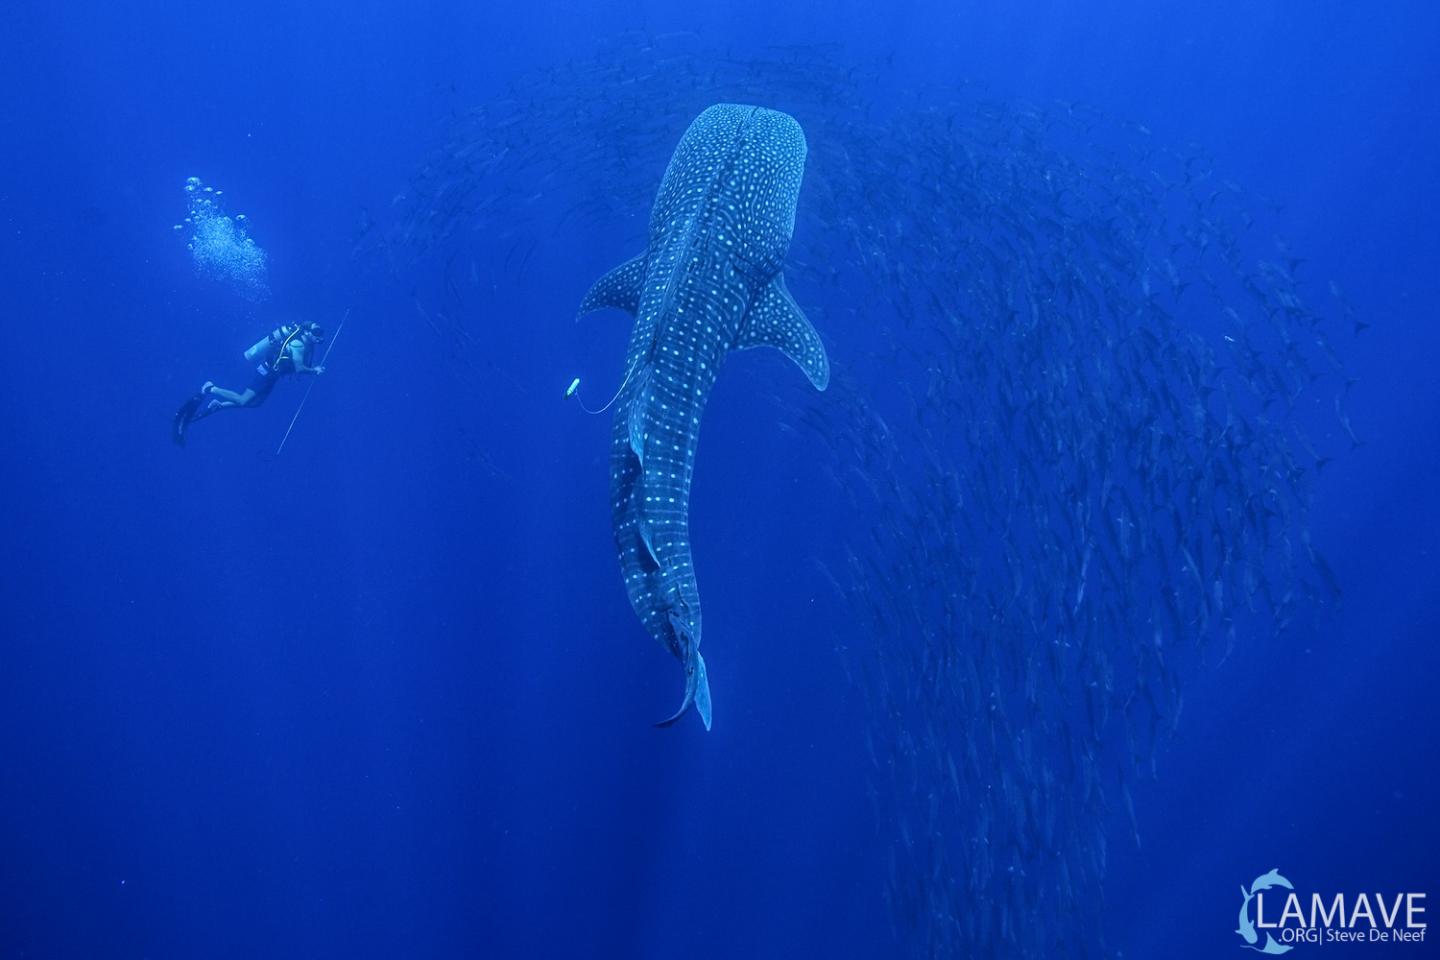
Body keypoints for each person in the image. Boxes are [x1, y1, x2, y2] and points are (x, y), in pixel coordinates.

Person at [173, 321, 326, 445]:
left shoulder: (305, 343)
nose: (320, 336)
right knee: (242, 399)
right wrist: (315, 370)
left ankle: (218, 405)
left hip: (271, 375)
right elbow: (299, 368)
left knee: (255, 403)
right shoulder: (298, 345)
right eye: (317, 333)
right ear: (307, 332)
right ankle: (211, 388)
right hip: (266, 373)